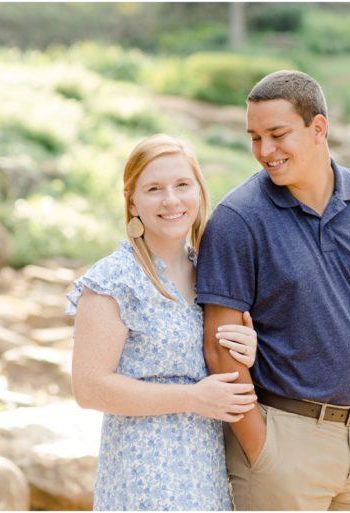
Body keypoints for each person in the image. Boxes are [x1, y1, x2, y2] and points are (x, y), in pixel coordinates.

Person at [197, 70, 350, 510]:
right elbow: (219, 347)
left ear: (318, 128)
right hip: (282, 443)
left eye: (277, 135)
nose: (265, 152)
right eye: (255, 138)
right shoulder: (238, 220)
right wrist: (262, 448)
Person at [66, 134, 260, 511]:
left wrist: (248, 350)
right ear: (132, 200)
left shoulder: (214, 274)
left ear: (199, 191)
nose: (171, 200)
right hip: (144, 472)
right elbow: (88, 388)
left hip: (206, 467)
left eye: (182, 185)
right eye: (155, 188)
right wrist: (191, 398)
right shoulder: (114, 280)